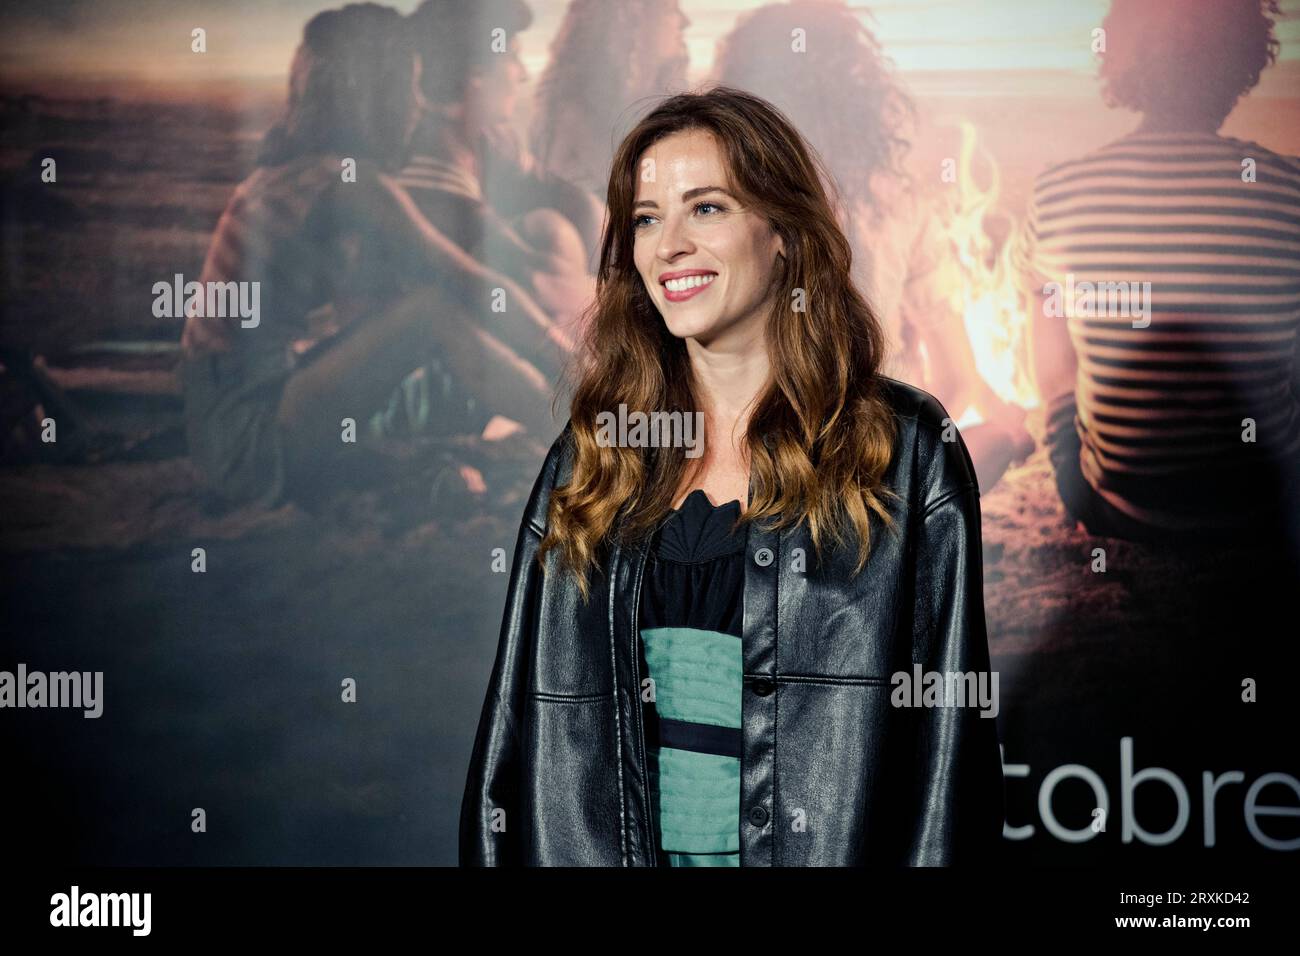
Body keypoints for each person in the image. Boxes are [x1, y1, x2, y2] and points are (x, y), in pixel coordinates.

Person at [459, 87, 1004, 866]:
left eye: (705, 208)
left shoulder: (905, 451)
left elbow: (949, 771)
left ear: (782, 231)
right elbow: (510, 751)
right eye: (646, 218)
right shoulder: (593, 461)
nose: (668, 245)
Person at [178, 3, 570, 510]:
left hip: (236, 414)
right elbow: (470, 280)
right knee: (432, 313)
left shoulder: (304, 171)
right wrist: (567, 358)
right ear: (374, 92)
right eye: (410, 85)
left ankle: (572, 429)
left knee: (428, 311)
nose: (418, 105)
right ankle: (581, 439)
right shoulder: (351, 183)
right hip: (247, 432)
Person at [712, 0, 1033, 494]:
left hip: (752, 467)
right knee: (999, 436)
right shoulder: (898, 200)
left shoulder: (713, 202)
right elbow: (956, 376)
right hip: (869, 467)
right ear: (860, 95)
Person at [1013, 0, 1300, 548]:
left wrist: (1070, 478)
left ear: (1121, 59)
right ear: (1241, 62)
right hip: (1267, 502)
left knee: (1047, 304)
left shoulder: (1061, 190)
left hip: (1124, 505)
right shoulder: (1289, 188)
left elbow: (1053, 372)